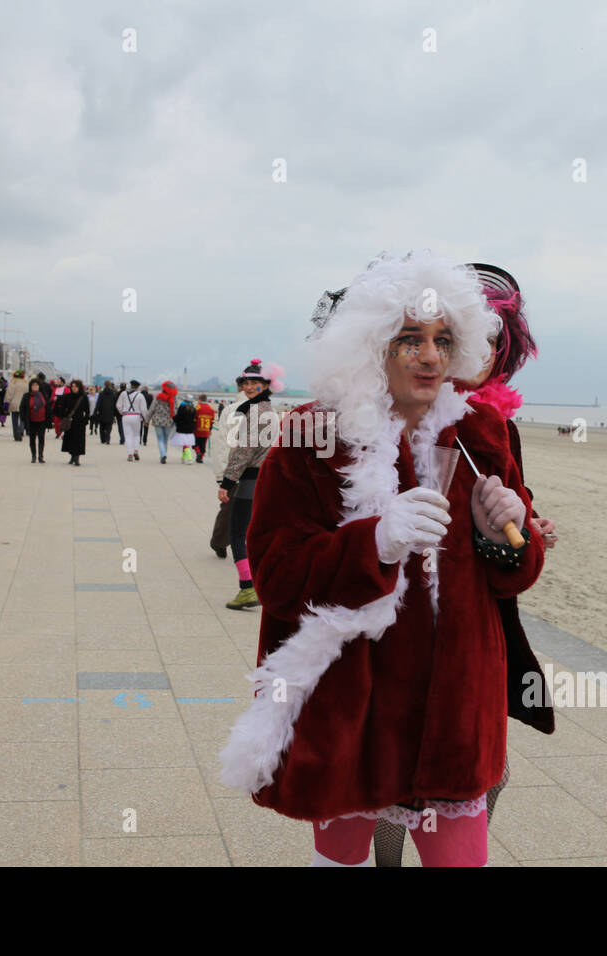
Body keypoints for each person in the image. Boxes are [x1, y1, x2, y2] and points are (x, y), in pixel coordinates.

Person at [218, 251, 550, 868]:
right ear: (370, 344)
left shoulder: (481, 431)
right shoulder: (312, 435)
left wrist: (506, 539)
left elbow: (517, 573)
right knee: (341, 859)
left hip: (456, 705)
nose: (430, 356)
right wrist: (372, 544)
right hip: (353, 706)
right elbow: (278, 574)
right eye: (409, 339)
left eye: (444, 340)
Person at [219, 359, 282, 610]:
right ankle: (262, 584)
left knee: (238, 534)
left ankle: (247, 588)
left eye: (255, 382)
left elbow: (244, 451)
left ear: (267, 385)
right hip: (264, 479)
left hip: (250, 480)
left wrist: (226, 481)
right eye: (246, 381)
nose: (249, 386)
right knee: (255, 533)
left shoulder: (255, 412)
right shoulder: (268, 409)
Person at [209, 378, 248, 558]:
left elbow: (221, 444)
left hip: (236, 469)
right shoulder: (235, 410)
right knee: (233, 508)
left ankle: (221, 541)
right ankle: (220, 541)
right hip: (243, 469)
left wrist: (221, 473)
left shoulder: (231, 410)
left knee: (231, 508)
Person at [55, 378, 90, 466]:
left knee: (78, 440)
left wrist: (85, 420)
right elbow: (61, 407)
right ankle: (72, 456)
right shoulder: (67, 397)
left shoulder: (83, 397)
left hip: (79, 422)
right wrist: (64, 415)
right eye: (72, 386)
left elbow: (87, 410)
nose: (74, 388)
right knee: (70, 439)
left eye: (76, 386)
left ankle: (77, 457)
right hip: (70, 422)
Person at [19, 378, 50, 463]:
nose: (35, 387)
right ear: (30, 386)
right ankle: (33, 456)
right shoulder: (27, 396)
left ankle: (40, 456)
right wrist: (23, 419)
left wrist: (49, 420)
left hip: (42, 420)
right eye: (33, 385)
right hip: (31, 421)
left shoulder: (43, 395)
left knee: (41, 438)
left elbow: (48, 408)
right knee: (32, 439)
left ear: (39, 386)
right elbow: (22, 407)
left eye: (36, 385)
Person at [117, 379, 147, 461]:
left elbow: (118, 405)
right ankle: (136, 450)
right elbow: (144, 409)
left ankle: (130, 454)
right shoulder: (140, 395)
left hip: (126, 415)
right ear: (137, 387)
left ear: (130, 385)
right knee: (137, 435)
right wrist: (145, 419)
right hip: (136, 416)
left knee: (128, 435)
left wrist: (122, 413)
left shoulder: (123, 394)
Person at [5, 371, 30, 441]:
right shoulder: (26, 383)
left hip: (14, 403)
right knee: (22, 419)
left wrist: (6, 403)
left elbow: (9, 394)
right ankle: (21, 431)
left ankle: (16, 435)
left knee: (14, 420)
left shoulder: (13, 383)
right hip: (23, 403)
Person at [173, 397, 198, 464]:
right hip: (190, 429)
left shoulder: (181, 408)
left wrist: (173, 418)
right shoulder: (194, 409)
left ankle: (190, 458)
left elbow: (178, 417)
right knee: (186, 443)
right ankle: (183, 458)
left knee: (185, 444)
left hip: (182, 428)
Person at [194, 393, 215, 463]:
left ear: (200, 400)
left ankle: (198, 452)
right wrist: (210, 430)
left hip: (197, 429)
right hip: (206, 430)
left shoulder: (197, 407)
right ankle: (200, 458)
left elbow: (194, 418)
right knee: (203, 445)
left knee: (195, 443)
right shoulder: (211, 409)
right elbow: (212, 421)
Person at [95, 380, 118, 445]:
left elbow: (98, 403)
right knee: (109, 426)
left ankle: (103, 439)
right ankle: (107, 438)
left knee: (102, 427)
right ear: (110, 385)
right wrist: (115, 413)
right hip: (110, 412)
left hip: (102, 412)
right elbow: (115, 404)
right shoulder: (113, 394)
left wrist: (95, 411)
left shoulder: (101, 393)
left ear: (104, 385)